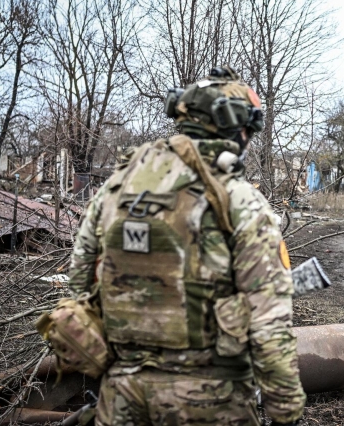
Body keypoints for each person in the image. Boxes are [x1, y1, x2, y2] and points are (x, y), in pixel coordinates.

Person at [67, 66, 305, 426]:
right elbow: (269, 323)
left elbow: (79, 286)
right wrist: (286, 414)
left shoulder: (117, 187)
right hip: (210, 399)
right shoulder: (238, 199)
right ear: (234, 127)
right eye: (249, 130)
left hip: (121, 397)